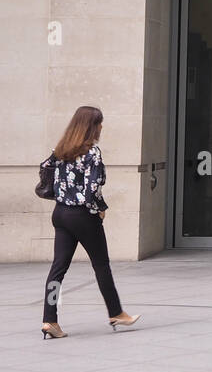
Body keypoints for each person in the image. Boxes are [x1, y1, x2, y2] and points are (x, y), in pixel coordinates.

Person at [39, 106, 139, 338]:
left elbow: (45, 168)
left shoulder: (60, 150)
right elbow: (92, 188)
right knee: (101, 265)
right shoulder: (92, 153)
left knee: (58, 269)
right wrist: (100, 209)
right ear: (90, 126)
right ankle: (116, 312)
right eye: (99, 123)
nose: (101, 127)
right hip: (83, 216)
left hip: (60, 214)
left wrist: (62, 193)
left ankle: (49, 319)